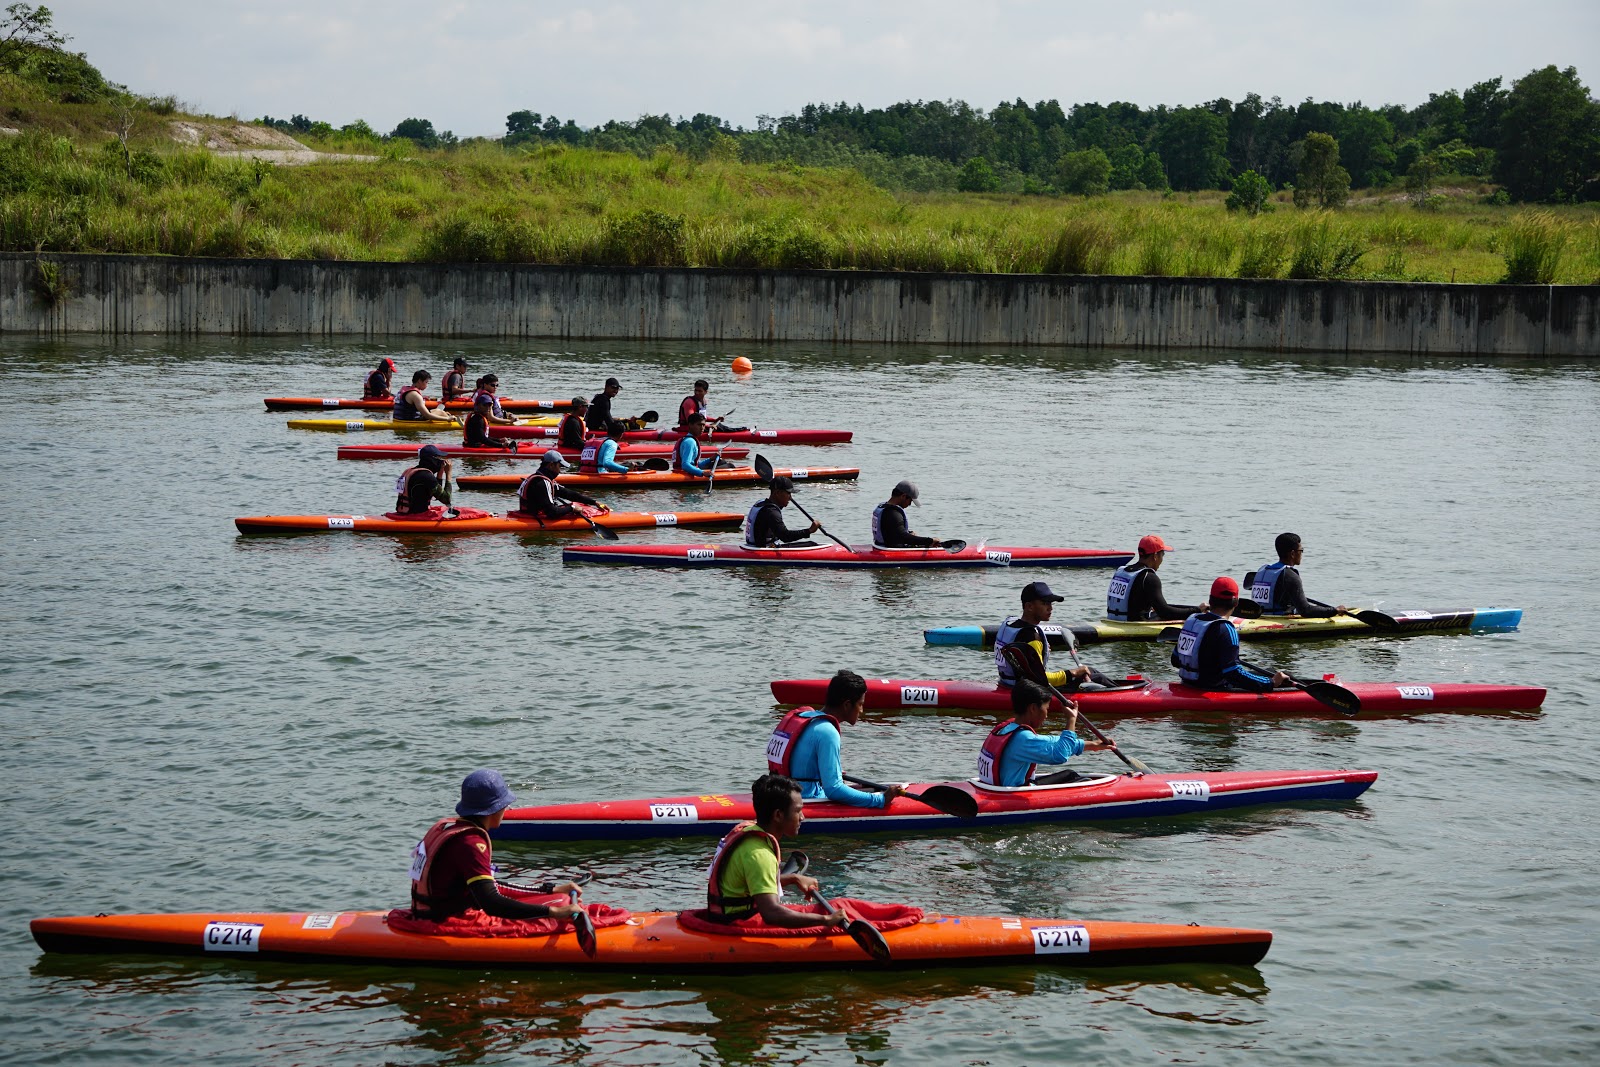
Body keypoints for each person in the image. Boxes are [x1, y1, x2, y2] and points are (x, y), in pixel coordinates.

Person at [408, 768, 585, 923]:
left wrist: (550, 890)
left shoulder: (452, 830)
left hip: (428, 915)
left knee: (558, 900)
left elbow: (489, 887)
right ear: (495, 808)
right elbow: (492, 904)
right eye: (504, 804)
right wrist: (552, 912)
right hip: (445, 922)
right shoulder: (471, 843)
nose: (506, 809)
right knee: (554, 916)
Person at [705, 773, 847, 929]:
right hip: (736, 924)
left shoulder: (749, 832)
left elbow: (752, 881)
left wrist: (793, 878)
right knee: (841, 907)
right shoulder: (760, 854)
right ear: (778, 815)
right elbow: (771, 913)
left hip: (725, 915)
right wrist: (825, 920)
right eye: (797, 811)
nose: (802, 817)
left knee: (844, 906)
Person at [766, 669, 907, 808]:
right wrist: (880, 800)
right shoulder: (828, 732)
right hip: (806, 801)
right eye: (860, 704)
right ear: (847, 705)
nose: (862, 711)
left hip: (780, 794)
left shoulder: (805, 719)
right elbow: (834, 790)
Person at [976, 679, 1116, 787]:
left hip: (995, 788)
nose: (1047, 715)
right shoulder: (1023, 738)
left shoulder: (1008, 728)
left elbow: (1051, 741)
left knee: (1070, 774)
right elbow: (1060, 755)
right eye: (1046, 709)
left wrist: (1093, 745)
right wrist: (1071, 719)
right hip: (1009, 796)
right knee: (1082, 782)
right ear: (1033, 708)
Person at [1172, 577, 1294, 691]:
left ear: (1210, 599)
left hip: (1188, 684)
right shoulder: (1226, 629)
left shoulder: (1191, 620)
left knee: (1269, 671)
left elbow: (1175, 660)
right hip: (1212, 688)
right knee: (1283, 676)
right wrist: (1271, 682)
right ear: (1236, 603)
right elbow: (1233, 674)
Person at [994, 582, 1116, 690]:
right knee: (1096, 677)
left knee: (1090, 671)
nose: (1050, 608)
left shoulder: (1009, 623)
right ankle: (1123, 694)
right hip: (1025, 691)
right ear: (1029, 606)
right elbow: (1041, 679)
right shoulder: (1031, 637)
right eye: (1044, 603)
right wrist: (1072, 673)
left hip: (1007, 682)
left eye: (1051, 603)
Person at [1250, 533, 1348, 618]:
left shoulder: (1263, 570)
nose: (1301, 554)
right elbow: (1305, 611)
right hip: (1278, 619)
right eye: (1301, 550)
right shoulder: (1290, 576)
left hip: (1259, 617)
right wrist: (1334, 611)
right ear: (1292, 554)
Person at [1105, 534, 1195, 622]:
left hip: (1113, 621)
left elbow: (1160, 606)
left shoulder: (1121, 571)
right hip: (1133, 626)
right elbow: (1165, 612)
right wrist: (1196, 612)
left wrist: (1195, 608)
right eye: (1162, 555)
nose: (1162, 560)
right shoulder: (1149, 577)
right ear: (1155, 556)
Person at [515, 450, 604, 521]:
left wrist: (593, 502)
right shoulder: (542, 483)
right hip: (533, 519)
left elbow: (568, 494)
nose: (560, 471)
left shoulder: (538, 478)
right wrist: (572, 508)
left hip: (527, 514)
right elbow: (552, 514)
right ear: (551, 465)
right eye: (559, 466)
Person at [744, 475, 821, 547]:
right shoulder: (771, 512)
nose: (790, 498)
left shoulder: (761, 503)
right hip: (765, 550)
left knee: (811, 544)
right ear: (777, 493)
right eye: (788, 493)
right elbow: (785, 537)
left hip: (755, 547)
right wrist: (809, 531)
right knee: (812, 545)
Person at [871, 480, 937, 549]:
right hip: (891, 550)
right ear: (903, 496)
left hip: (879, 546)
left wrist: (909, 533)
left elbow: (891, 531)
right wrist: (929, 541)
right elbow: (903, 537)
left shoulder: (883, 508)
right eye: (910, 501)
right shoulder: (893, 514)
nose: (910, 504)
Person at [394, 444, 453, 515]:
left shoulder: (411, 471)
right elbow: (447, 499)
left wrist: (440, 473)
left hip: (404, 512)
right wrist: (448, 474)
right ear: (432, 460)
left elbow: (435, 495)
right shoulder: (426, 476)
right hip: (415, 515)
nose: (442, 461)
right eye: (439, 458)